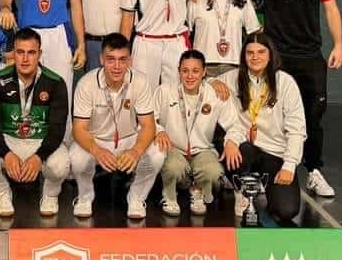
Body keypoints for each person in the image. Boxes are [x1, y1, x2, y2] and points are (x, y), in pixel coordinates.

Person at [241, 0, 342, 197]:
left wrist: (339, 44)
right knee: (268, 114)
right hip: (277, 59)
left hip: (310, 57)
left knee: (313, 116)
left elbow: (331, 9)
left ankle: (313, 171)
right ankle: (265, 168)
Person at [0, 28, 71, 218]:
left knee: (62, 164)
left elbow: (58, 129)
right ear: (14, 54)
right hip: (9, 140)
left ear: (39, 54)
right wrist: (6, 154)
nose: (25, 59)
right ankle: (2, 192)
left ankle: (51, 194)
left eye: (31, 52)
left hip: (41, 140)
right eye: (20, 52)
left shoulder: (55, 82)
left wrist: (39, 157)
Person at [70, 33, 165, 220]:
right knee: (76, 156)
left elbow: (147, 125)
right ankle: (84, 197)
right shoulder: (86, 83)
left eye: (122, 60)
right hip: (97, 140)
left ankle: (137, 198)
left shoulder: (140, 81)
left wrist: (136, 151)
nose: (116, 66)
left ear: (130, 60)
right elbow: (78, 129)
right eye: (110, 59)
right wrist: (96, 150)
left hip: (129, 139)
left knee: (158, 153)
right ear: (101, 59)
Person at [219, 32, 306, 224]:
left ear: (270, 54)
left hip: (275, 153)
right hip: (245, 147)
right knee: (235, 147)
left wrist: (289, 165)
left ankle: (264, 187)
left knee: (286, 210)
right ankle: (241, 190)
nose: (255, 57)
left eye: (261, 52)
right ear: (243, 56)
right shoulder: (232, 78)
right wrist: (215, 83)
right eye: (250, 53)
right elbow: (202, 82)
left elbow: (297, 130)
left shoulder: (285, 82)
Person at [153, 50, 243, 216]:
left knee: (214, 172)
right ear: (178, 71)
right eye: (185, 71)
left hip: (202, 150)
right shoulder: (165, 91)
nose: (189, 76)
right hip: (173, 149)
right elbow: (149, 118)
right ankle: (169, 196)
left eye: (195, 71)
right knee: (173, 168)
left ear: (204, 72)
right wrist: (159, 131)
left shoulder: (215, 94)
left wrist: (232, 141)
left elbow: (235, 125)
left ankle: (197, 190)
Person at [189, 0, 260, 78]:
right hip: (202, 66)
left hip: (234, 66)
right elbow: (185, 34)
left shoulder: (243, 1)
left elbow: (255, 35)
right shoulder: (197, 0)